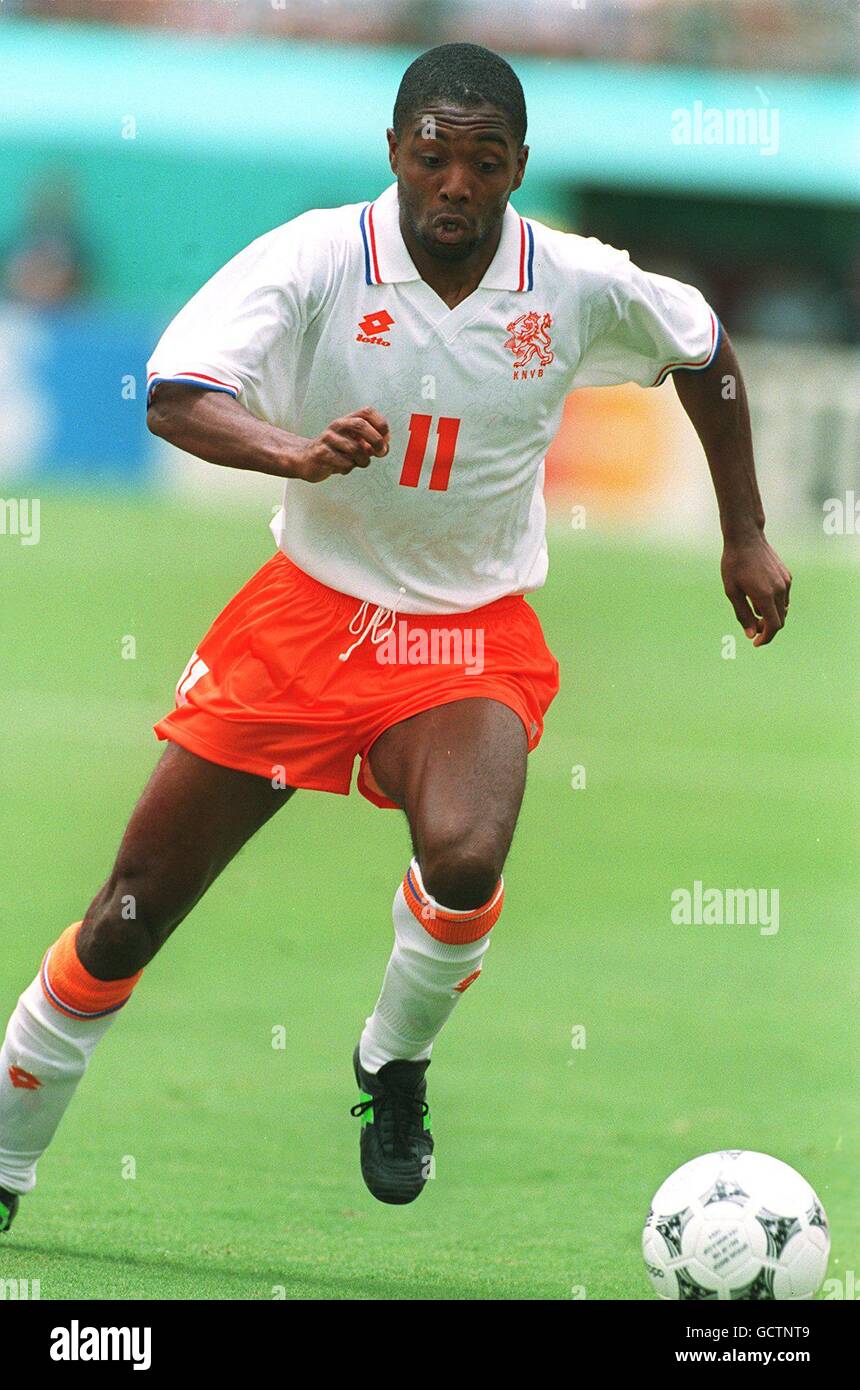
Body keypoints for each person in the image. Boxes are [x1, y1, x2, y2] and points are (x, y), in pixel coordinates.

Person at [0, 43, 791, 1227]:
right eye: (433, 156)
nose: (456, 185)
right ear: (394, 152)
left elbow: (702, 352)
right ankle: (7, 1170)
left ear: (519, 164)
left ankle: (390, 1063)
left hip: (466, 634)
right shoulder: (318, 255)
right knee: (128, 914)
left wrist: (745, 534)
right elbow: (174, 389)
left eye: (483, 161)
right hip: (304, 620)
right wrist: (290, 450)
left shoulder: (572, 282)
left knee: (466, 856)